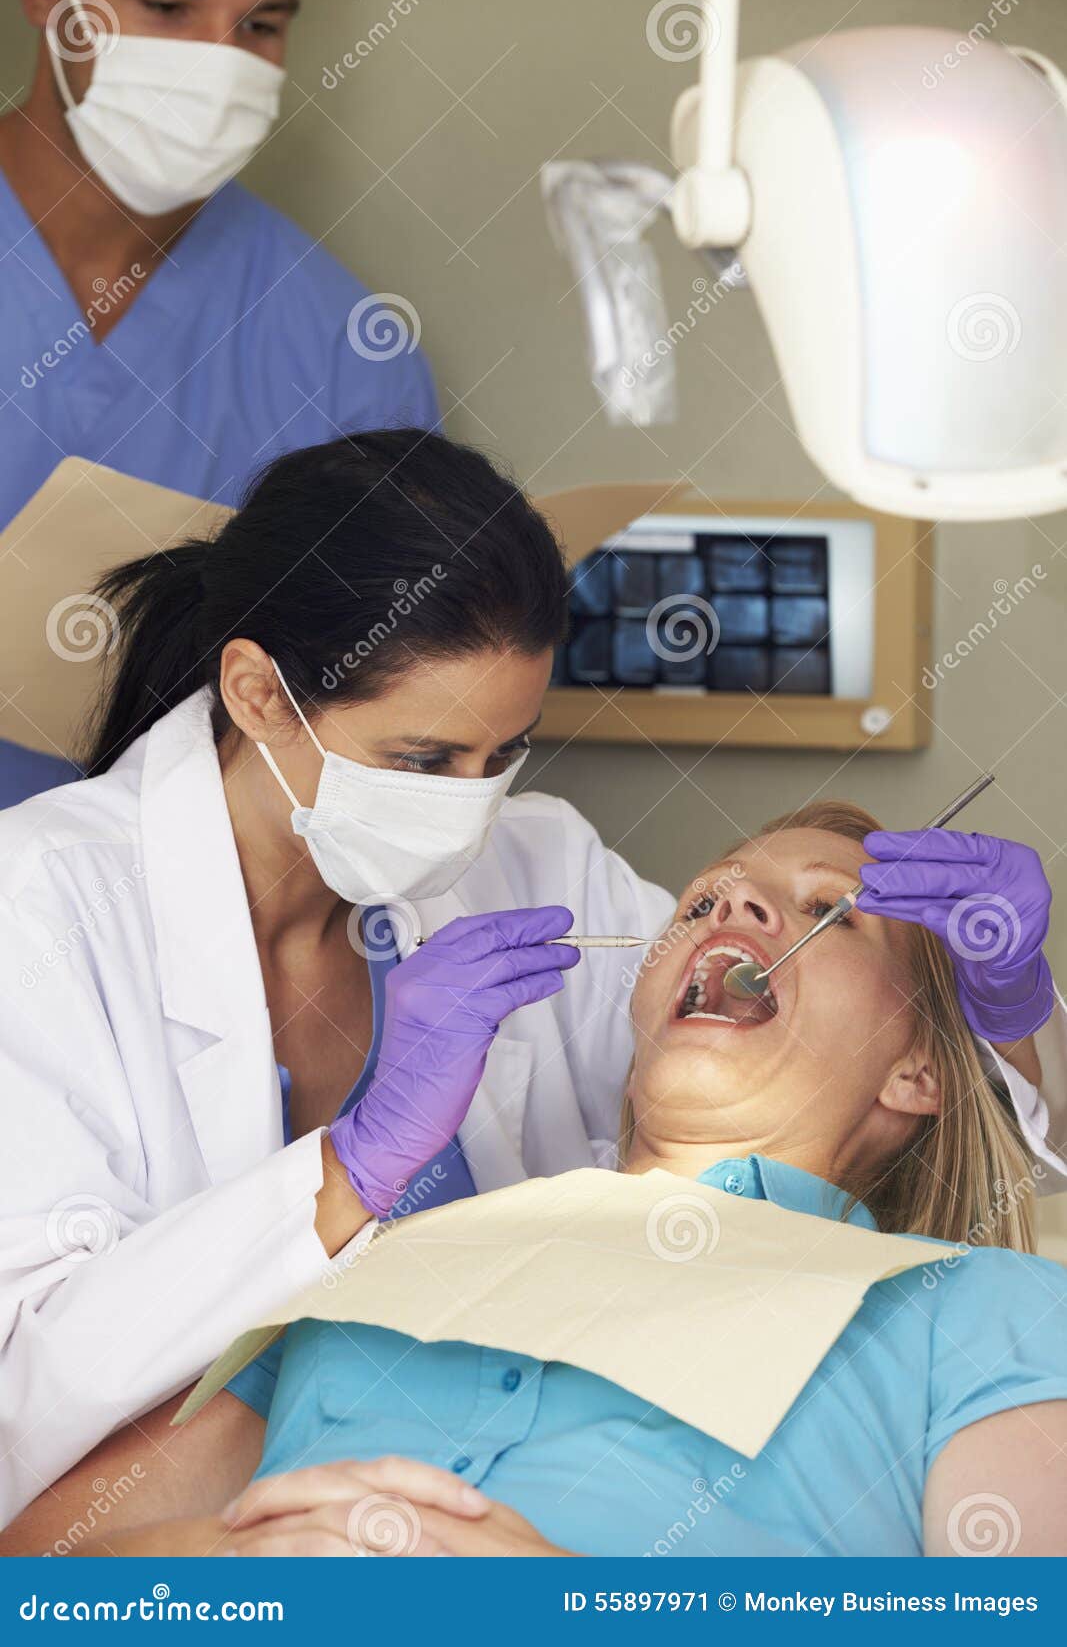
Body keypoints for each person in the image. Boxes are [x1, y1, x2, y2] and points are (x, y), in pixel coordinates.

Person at [0, 430, 1062, 1526]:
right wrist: (347, 1174)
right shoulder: (35, 910)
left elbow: (813, 1075)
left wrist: (1009, 1000)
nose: (473, 803)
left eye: (503, 752)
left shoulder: (539, 866)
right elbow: (34, 1461)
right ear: (259, 694)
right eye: (424, 761)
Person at [6, 801, 1066, 1558]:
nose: (733, 899)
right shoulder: (369, 1273)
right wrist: (229, 1569)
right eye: (702, 899)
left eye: (827, 908)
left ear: (917, 1070)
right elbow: (39, 1582)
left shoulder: (978, 1310)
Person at [0, 0, 435, 801]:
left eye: (261, 26)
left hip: (161, 902)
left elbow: (363, 711)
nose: (214, 60)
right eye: (166, 5)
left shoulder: (349, 354)